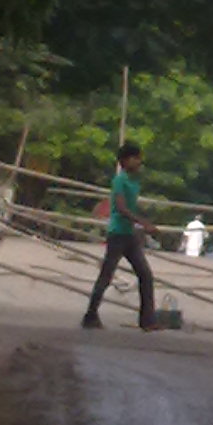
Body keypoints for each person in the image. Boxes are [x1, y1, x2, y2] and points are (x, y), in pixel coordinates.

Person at [81, 141, 158, 332]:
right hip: (117, 234)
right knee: (106, 276)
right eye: (135, 158)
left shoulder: (134, 181)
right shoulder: (120, 180)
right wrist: (143, 223)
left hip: (129, 234)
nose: (139, 161)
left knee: (145, 275)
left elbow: (131, 206)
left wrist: (141, 222)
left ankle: (147, 320)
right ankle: (90, 315)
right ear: (126, 160)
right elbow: (122, 208)